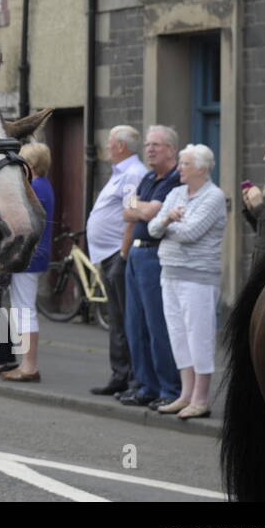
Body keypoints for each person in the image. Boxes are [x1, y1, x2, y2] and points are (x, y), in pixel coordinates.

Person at [148, 144, 226, 420]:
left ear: (202, 169)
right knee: (178, 335)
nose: (179, 168)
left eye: (185, 164)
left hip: (198, 277)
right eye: (181, 163)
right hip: (170, 272)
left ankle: (201, 399)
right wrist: (168, 219)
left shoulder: (214, 196)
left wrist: (167, 224)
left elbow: (192, 232)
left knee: (198, 336)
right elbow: (152, 228)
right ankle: (185, 395)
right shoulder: (176, 193)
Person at [117, 125, 182, 409]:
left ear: (171, 150)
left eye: (156, 145)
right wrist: (141, 208)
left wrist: (140, 207)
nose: (150, 149)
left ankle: (169, 388)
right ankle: (145, 387)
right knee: (135, 325)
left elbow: (152, 212)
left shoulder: (174, 179)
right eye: (147, 145)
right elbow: (127, 210)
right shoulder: (147, 177)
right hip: (136, 254)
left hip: (156, 256)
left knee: (158, 325)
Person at [87, 125, 146, 396]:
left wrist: (123, 254)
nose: (107, 147)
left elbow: (131, 216)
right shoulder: (121, 173)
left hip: (117, 254)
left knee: (123, 319)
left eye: (111, 142)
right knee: (117, 319)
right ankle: (120, 375)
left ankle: (129, 378)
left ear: (121, 146)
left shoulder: (132, 174)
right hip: (109, 254)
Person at [1, 141, 54, 382]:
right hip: (34, 255)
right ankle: (26, 364)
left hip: (29, 256)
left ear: (30, 164)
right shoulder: (43, 186)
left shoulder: (35, 187)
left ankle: (29, 366)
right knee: (22, 309)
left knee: (24, 310)